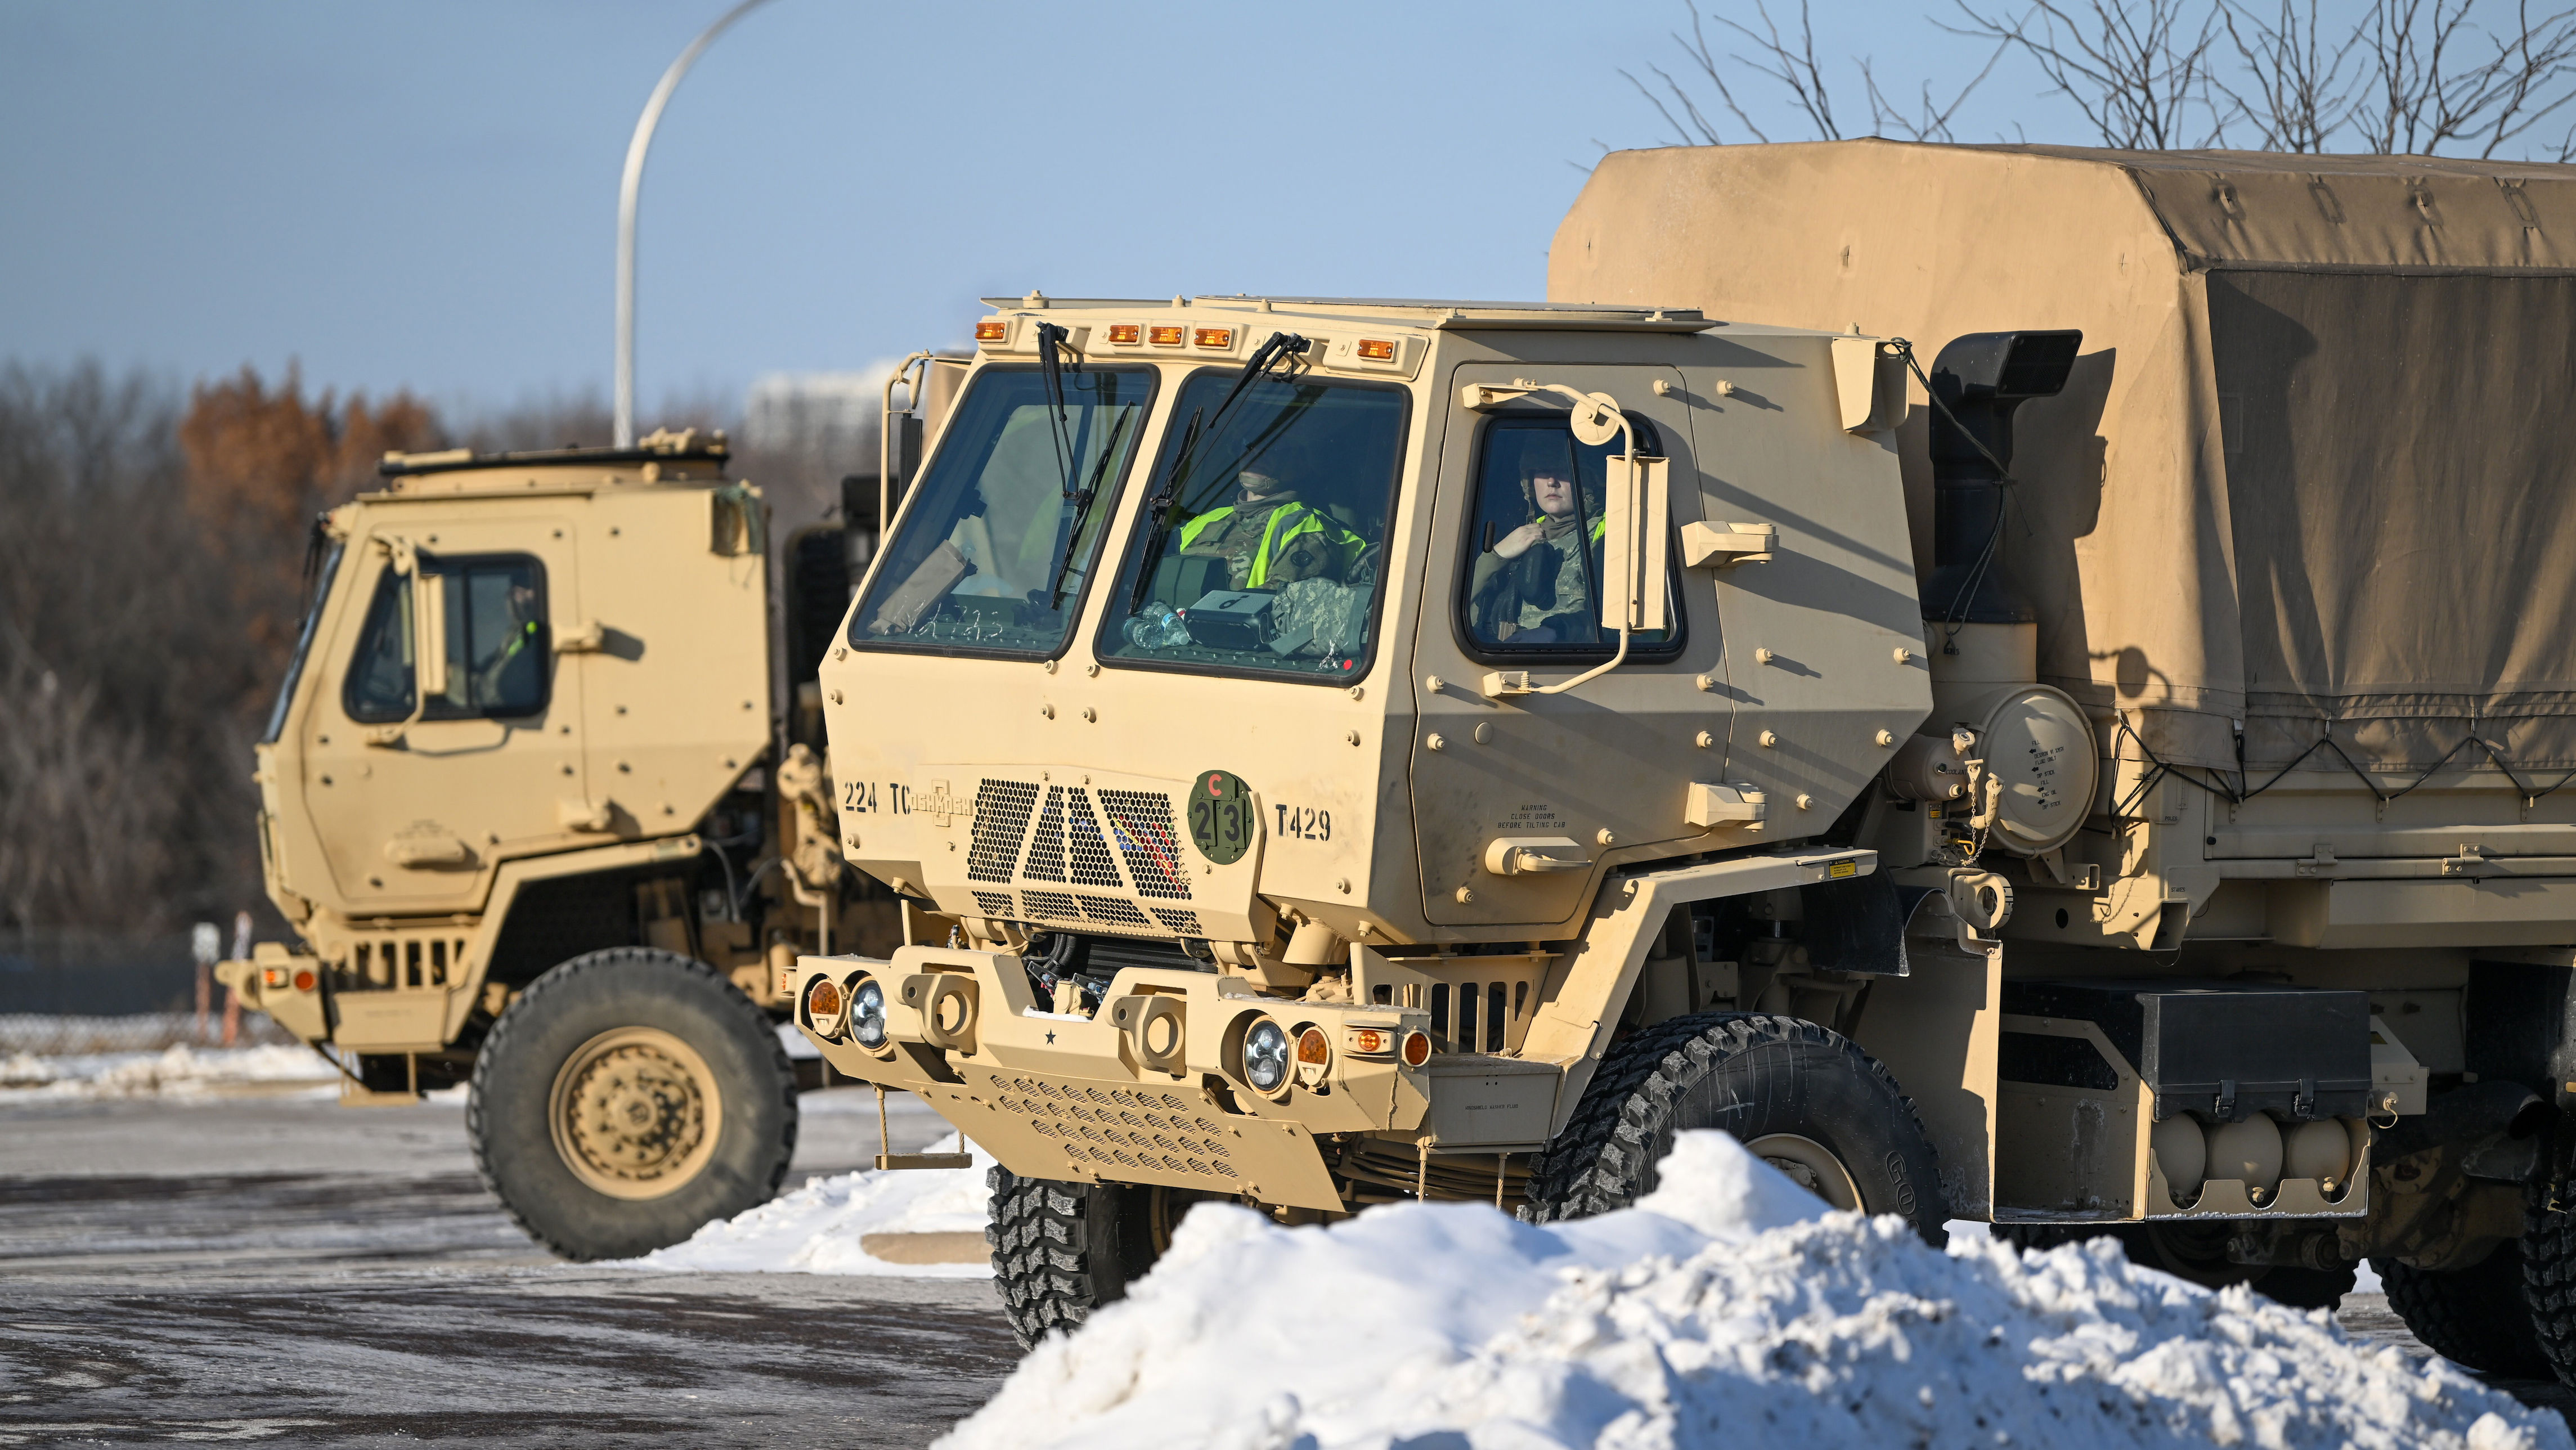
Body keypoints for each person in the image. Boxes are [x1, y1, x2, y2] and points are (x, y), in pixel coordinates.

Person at [1469, 469, 1603, 644]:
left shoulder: (1606, 538)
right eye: (1542, 472)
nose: (1551, 482)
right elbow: (1458, 616)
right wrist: (1496, 556)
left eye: (1564, 471)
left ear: (1590, 479)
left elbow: (1626, 626)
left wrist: (1556, 631)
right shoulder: (1520, 537)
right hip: (1502, 662)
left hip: (1571, 667)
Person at [1176, 468, 1364, 591]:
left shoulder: (1303, 524)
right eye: (1249, 447)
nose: (1256, 457)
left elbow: (1284, 600)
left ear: (1296, 466)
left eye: (1270, 452)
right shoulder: (1206, 519)